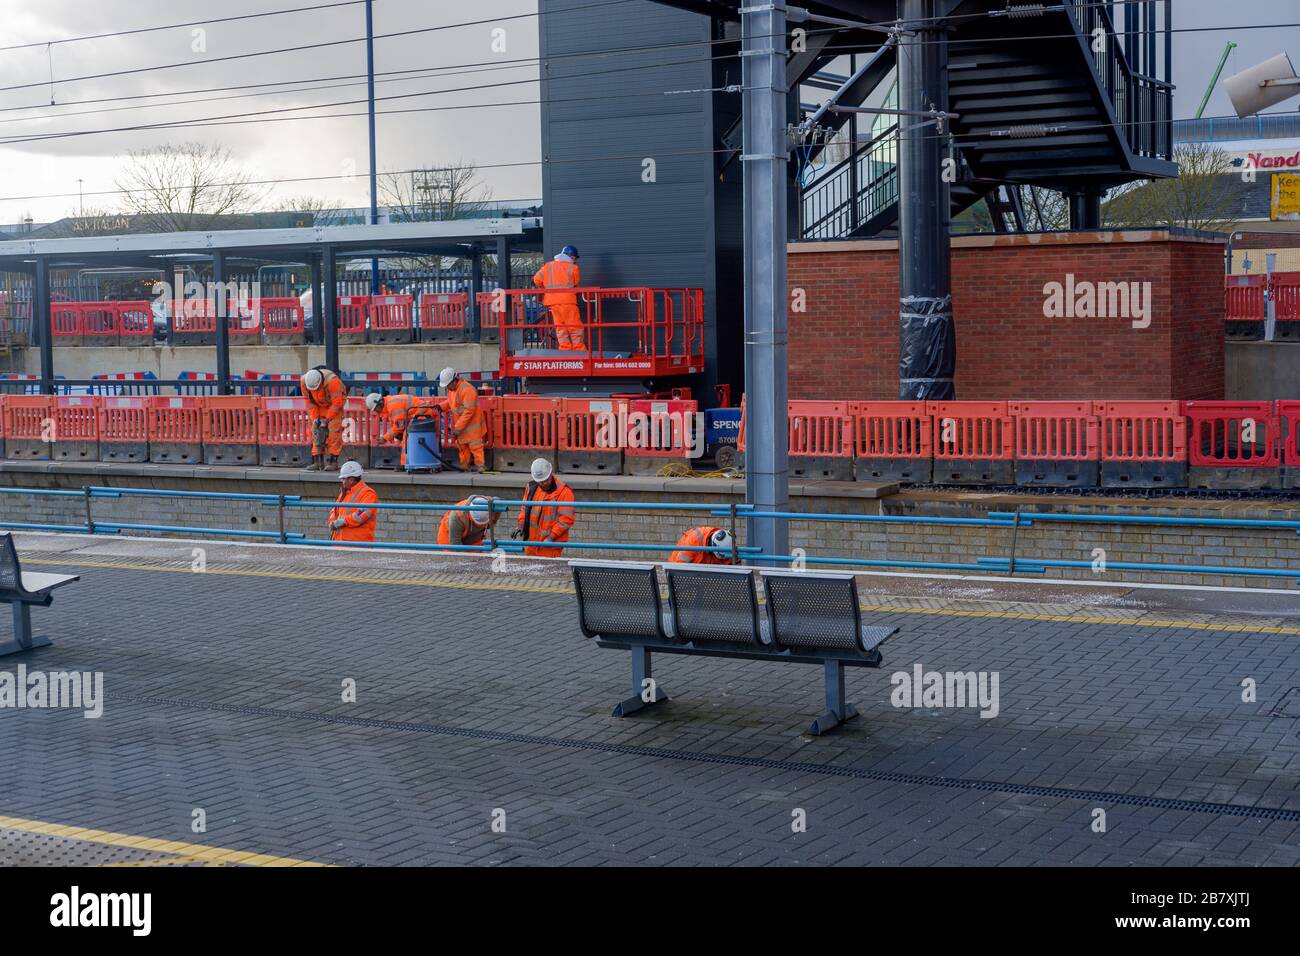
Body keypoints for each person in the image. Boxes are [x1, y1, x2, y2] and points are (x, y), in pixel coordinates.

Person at [511, 457, 574, 558]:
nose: (543, 484)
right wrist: (521, 525)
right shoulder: (532, 487)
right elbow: (525, 509)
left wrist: (551, 538)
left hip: (551, 545)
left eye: (546, 480)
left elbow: (566, 520)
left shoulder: (564, 492)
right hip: (533, 543)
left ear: (551, 474)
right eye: (540, 482)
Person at [531, 244, 584, 350]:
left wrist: (545, 288)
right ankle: (579, 350)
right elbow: (576, 283)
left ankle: (565, 349)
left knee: (560, 327)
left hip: (553, 303)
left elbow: (536, 280)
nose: (575, 260)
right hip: (568, 302)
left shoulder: (548, 266)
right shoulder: (573, 268)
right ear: (571, 256)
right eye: (575, 258)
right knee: (575, 327)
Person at [435, 367, 488, 472]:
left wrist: (458, 428)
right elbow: (451, 402)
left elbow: (469, 411)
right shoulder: (453, 389)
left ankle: (481, 466)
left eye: (448, 385)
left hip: (473, 425)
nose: (447, 388)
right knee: (463, 447)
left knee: (475, 446)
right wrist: (441, 407)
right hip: (462, 425)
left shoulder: (467, 389)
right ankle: (464, 465)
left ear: (454, 381)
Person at [366, 391, 439, 468]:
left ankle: (405, 464)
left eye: (375, 409)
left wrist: (385, 438)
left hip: (423, 415)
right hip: (422, 415)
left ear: (379, 404)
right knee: (406, 436)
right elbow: (398, 424)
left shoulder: (392, 406)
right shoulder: (390, 404)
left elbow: (399, 427)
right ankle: (408, 463)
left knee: (406, 437)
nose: (376, 412)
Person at [301, 366, 346, 471]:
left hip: (333, 406)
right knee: (315, 431)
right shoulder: (304, 382)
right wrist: (315, 417)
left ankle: (333, 461)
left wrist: (327, 419)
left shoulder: (333, 382)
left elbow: (337, 403)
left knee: (334, 431)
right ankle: (317, 461)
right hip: (318, 406)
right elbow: (309, 402)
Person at [327, 460, 379, 543]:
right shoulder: (344, 492)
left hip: (358, 543)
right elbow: (335, 511)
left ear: (351, 479)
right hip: (339, 541)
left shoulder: (368, 494)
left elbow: (361, 515)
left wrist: (343, 522)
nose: (342, 482)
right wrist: (332, 522)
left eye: (343, 479)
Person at [437, 495, 502, 551]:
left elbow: (498, 502)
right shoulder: (457, 517)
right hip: (448, 539)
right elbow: (455, 544)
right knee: (456, 560)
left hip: (474, 538)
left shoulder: (488, 503)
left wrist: (494, 520)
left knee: (476, 558)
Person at [669, 526, 736, 565]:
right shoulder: (693, 541)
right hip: (678, 567)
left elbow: (733, 564)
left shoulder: (727, 544)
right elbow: (679, 567)